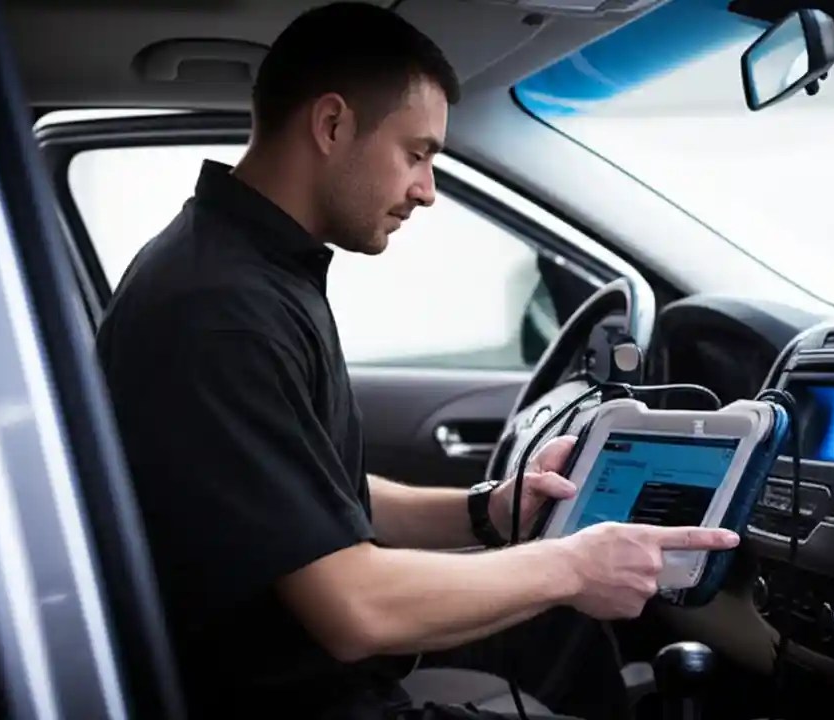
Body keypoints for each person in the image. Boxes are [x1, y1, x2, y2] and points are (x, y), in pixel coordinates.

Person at [95, 3, 740, 719]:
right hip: (297, 699)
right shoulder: (221, 309)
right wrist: (569, 565)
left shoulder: (244, 270)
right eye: (417, 153)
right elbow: (355, 611)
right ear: (332, 125)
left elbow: (311, 495)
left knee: (558, 629)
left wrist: (489, 512)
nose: (427, 190)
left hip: (313, 676)